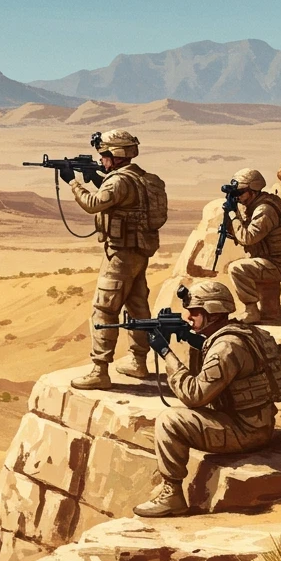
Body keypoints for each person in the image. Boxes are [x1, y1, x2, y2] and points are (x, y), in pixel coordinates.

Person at [133, 280, 281, 518]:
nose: (188, 317)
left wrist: (165, 352)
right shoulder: (243, 333)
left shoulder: (226, 347)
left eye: (195, 312)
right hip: (257, 422)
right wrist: (194, 340)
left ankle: (172, 495)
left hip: (246, 431)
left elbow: (194, 396)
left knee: (169, 421)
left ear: (213, 312)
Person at [62, 130, 168, 389]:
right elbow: (125, 201)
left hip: (120, 254)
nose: (102, 160)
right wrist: (99, 178)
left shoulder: (119, 181)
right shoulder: (143, 178)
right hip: (139, 253)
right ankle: (138, 362)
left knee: (104, 309)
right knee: (137, 307)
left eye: (105, 155)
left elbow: (93, 204)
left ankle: (100, 370)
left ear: (117, 155)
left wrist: (73, 183)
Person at [224, 168, 281, 324]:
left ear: (253, 191)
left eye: (241, 193)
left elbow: (248, 237)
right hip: (268, 260)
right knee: (270, 315)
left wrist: (232, 215)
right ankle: (271, 311)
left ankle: (251, 311)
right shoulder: (257, 206)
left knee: (237, 268)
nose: (238, 198)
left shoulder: (265, 210)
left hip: (276, 264)